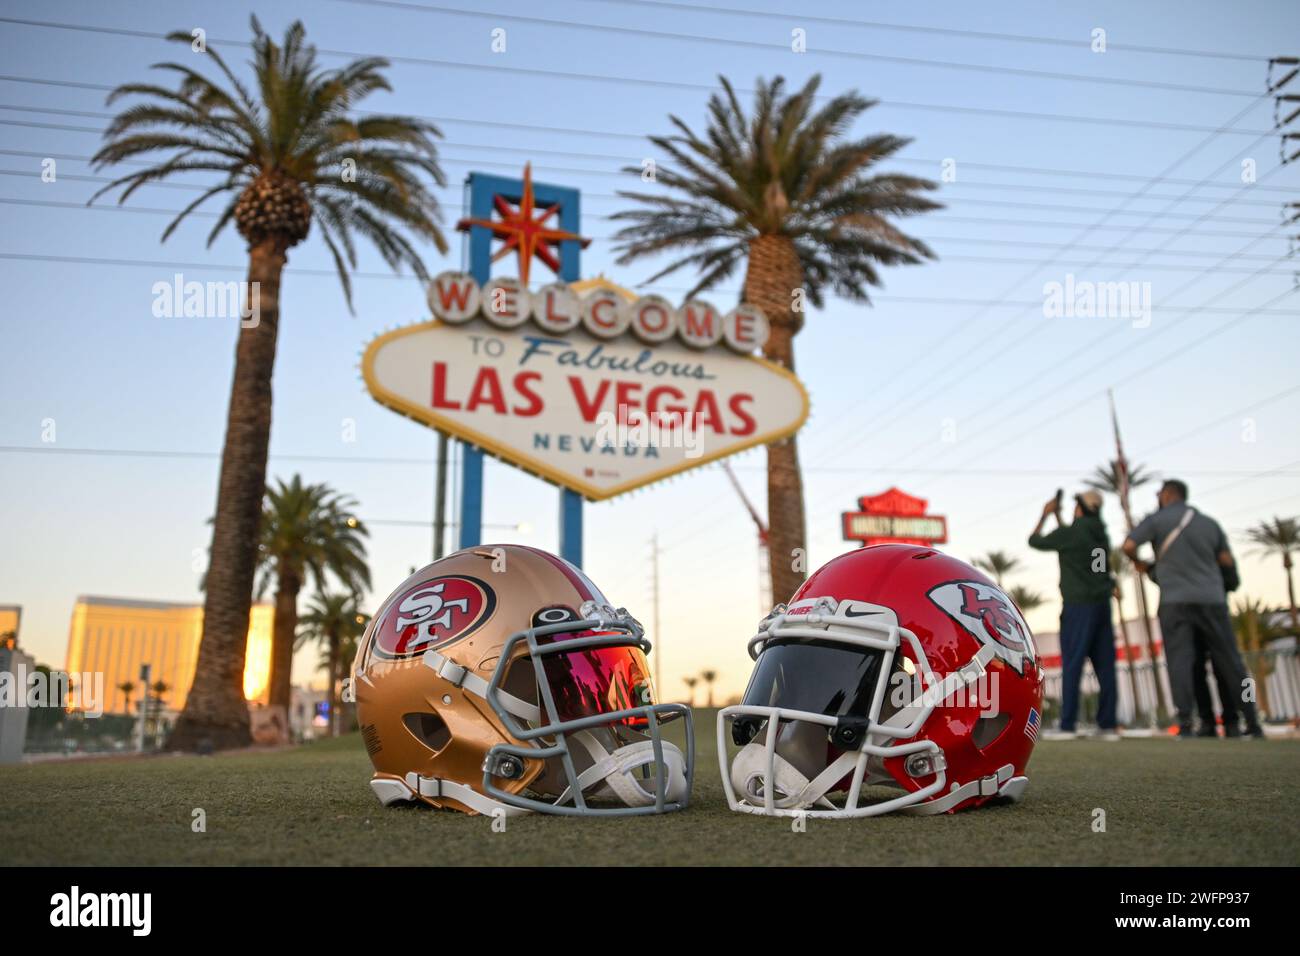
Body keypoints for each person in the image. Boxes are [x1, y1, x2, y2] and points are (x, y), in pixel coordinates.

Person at [1122, 479, 1263, 739]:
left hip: (1175, 602)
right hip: (1213, 600)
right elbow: (1226, 562)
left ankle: (1187, 722)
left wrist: (1146, 566)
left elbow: (1129, 546)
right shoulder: (1209, 524)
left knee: (1182, 661)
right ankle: (1251, 721)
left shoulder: (1157, 520)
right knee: (1231, 662)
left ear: (1166, 495)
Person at [1029, 490, 1120, 739]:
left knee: (1072, 664)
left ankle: (1068, 724)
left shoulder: (1070, 534)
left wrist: (1045, 514)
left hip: (1078, 607)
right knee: (1106, 667)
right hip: (1102, 605)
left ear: (1080, 507)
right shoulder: (1098, 534)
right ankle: (1108, 725)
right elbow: (1094, 566)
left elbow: (1035, 541)